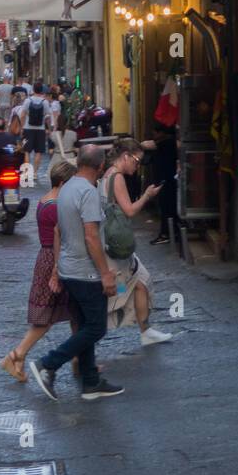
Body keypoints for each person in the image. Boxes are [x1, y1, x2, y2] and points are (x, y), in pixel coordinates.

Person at [29, 145, 124, 401]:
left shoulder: (67, 187)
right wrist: (105, 273)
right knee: (96, 328)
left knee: (84, 325)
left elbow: (59, 230)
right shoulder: (88, 192)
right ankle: (48, 363)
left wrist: (58, 268)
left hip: (70, 269)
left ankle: (91, 382)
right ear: (101, 167)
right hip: (86, 272)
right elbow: (92, 236)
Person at [1, 158, 77, 381]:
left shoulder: (45, 201)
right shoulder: (56, 206)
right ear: (63, 183)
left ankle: (78, 359)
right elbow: (61, 237)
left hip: (47, 258)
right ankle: (16, 354)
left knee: (74, 312)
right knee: (47, 318)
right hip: (54, 260)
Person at [100, 139, 172, 347]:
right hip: (116, 247)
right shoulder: (117, 177)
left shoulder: (107, 174)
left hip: (114, 244)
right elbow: (129, 211)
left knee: (141, 282)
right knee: (117, 291)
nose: (137, 165)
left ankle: (145, 331)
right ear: (125, 157)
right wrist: (147, 196)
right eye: (136, 160)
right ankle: (87, 339)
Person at [141, 123, 179, 246]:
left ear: (162, 132)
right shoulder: (167, 143)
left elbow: (145, 145)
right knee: (168, 208)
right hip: (167, 180)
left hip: (166, 181)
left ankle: (166, 234)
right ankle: (171, 233)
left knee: (167, 208)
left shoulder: (166, 143)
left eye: (155, 133)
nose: (154, 135)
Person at [16, 81, 53, 177]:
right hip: (40, 129)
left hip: (28, 129)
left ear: (33, 90)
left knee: (27, 151)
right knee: (38, 152)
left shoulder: (28, 101)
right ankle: (35, 173)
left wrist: (21, 127)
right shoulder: (44, 102)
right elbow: (48, 117)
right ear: (42, 91)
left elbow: (22, 115)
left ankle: (27, 172)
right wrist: (49, 129)